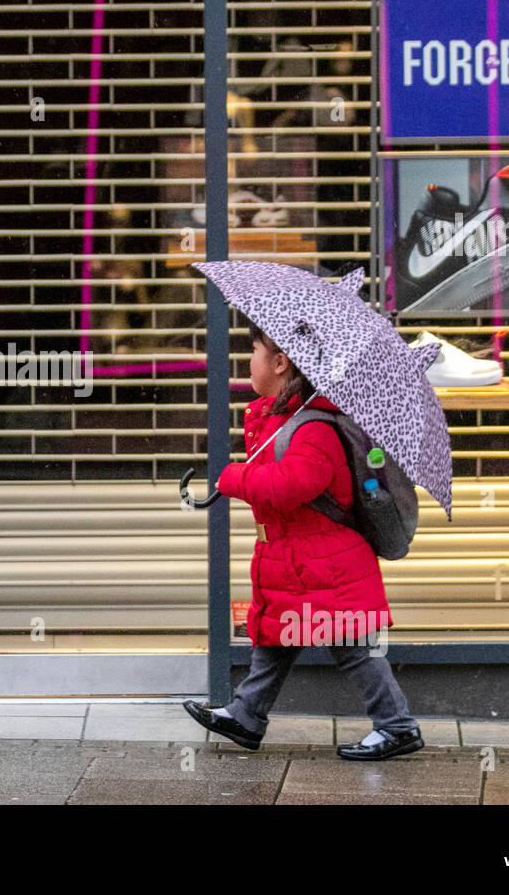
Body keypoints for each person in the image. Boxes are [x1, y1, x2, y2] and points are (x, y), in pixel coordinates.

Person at [183, 325, 424, 761]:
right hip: (297, 559)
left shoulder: (314, 427)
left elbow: (292, 484)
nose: (249, 363)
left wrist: (232, 476)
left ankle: (397, 727)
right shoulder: (283, 420)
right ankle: (246, 714)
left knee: (355, 649)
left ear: (280, 363)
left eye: (254, 352)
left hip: (328, 564)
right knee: (274, 644)